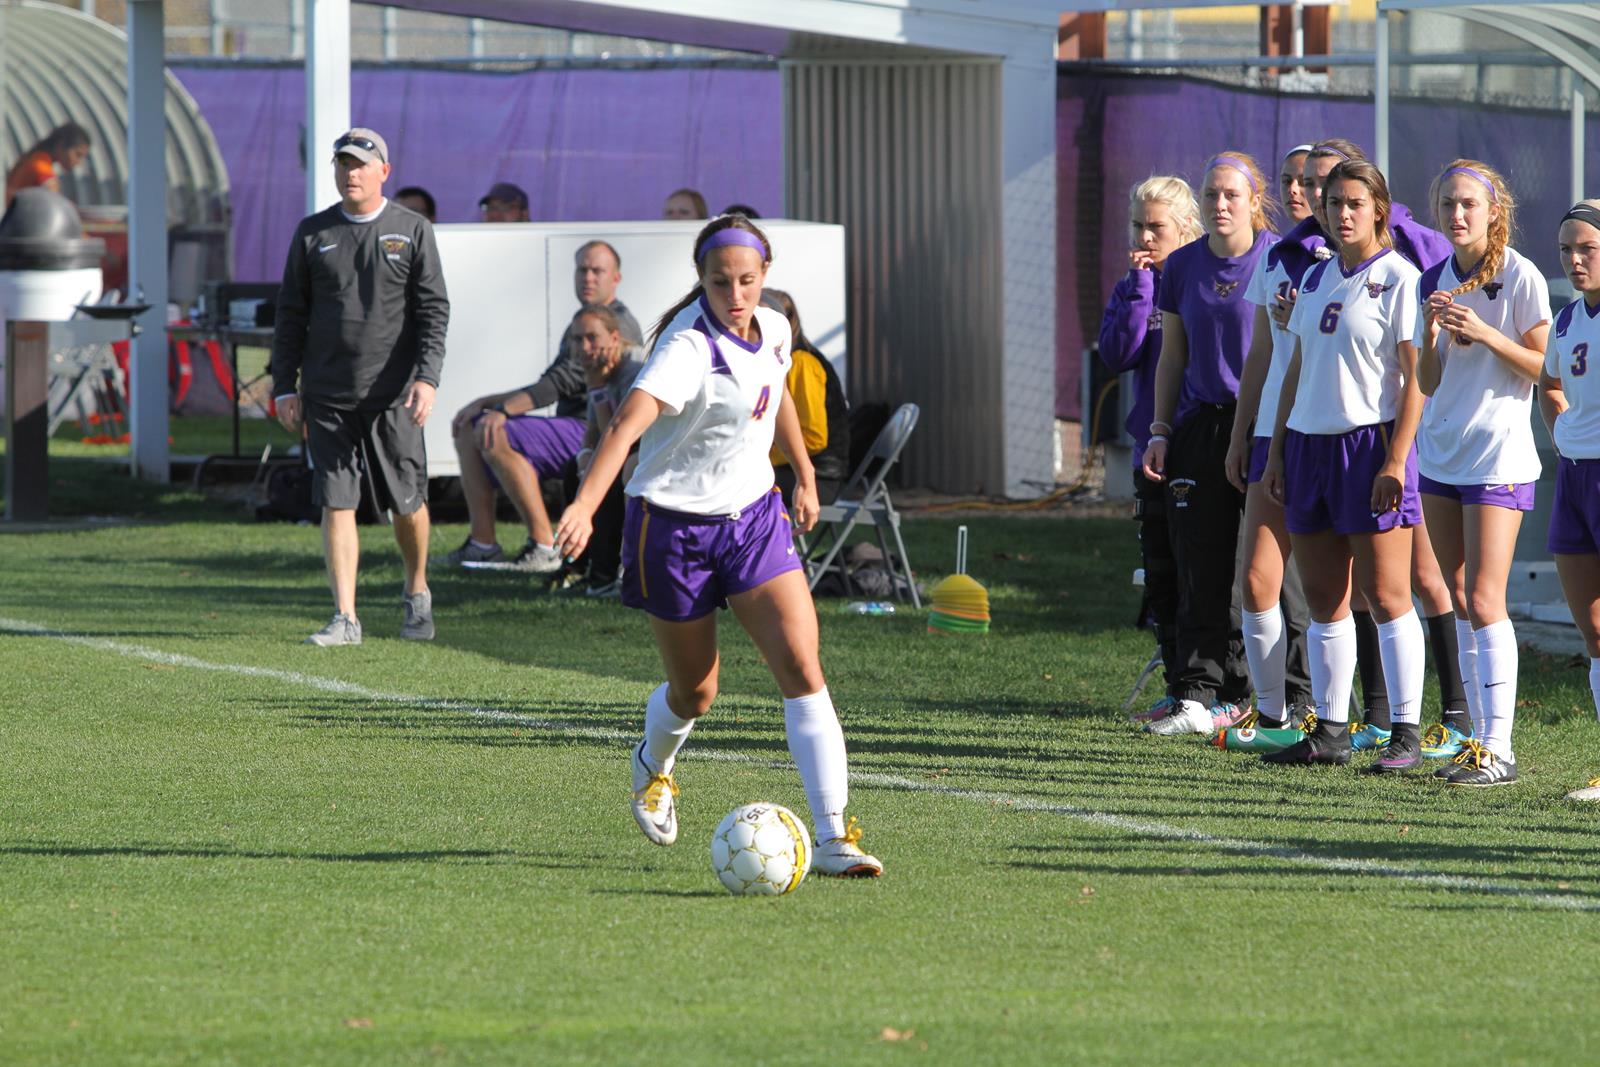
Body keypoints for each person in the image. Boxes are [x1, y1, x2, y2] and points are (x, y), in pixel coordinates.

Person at [553, 215, 882, 877]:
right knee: (696, 691)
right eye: (720, 281)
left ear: (765, 276)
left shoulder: (777, 327)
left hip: (754, 518)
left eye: (748, 281)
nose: (736, 294)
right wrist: (586, 505)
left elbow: (777, 389)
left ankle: (832, 835)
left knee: (800, 662)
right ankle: (654, 761)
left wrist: (806, 475)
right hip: (672, 527)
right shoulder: (686, 349)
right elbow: (623, 426)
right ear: (701, 279)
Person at [1269, 138, 1468, 753]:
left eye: (1355, 203)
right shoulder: (1317, 275)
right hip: (1308, 448)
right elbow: (1295, 369)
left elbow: (1415, 382)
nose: (1343, 214)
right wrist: (1276, 450)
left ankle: (1404, 730)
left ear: (1380, 209)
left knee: (1387, 594)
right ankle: (1330, 727)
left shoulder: (1401, 279)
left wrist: (1394, 459)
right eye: (1333, 203)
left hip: (1369, 448)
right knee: (1327, 598)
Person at [270, 127, 449, 646]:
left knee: (406, 503)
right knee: (336, 501)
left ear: (383, 172)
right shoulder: (311, 233)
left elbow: (433, 311)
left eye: (361, 164)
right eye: (343, 164)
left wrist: (426, 378)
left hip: (394, 395)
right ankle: (345, 617)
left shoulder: (412, 230)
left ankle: (417, 591)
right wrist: (286, 385)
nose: (351, 173)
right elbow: (290, 315)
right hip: (326, 393)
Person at [1414, 160, 1549, 787]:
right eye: (1447, 205)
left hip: (1498, 454)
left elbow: (1543, 368)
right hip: (1441, 454)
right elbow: (1428, 382)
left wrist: (1484, 335)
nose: (1457, 216)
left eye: (1469, 204)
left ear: (1495, 211)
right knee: (1460, 595)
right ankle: (1474, 740)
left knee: (1486, 598)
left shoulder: (1518, 274)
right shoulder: (1436, 277)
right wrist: (1432, 329)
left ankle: (1499, 749)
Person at [1140, 151, 1276, 736]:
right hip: (1200, 427)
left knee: (1268, 571)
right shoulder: (1182, 267)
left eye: (1232, 195)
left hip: (1269, 426)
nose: (1221, 205)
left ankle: (1273, 696)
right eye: (1212, 194)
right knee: (1199, 563)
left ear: (1254, 200)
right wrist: (1161, 430)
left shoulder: (1281, 259)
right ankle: (1196, 692)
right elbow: (1173, 355)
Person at [443, 240, 643, 571]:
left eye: (597, 271)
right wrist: (488, 402)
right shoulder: (583, 321)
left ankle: (543, 546)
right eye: (582, 270)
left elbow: (563, 383)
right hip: (580, 428)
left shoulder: (616, 325)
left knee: (495, 430)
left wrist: (502, 410)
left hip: (593, 431)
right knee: (471, 424)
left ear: (616, 278)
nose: (588, 278)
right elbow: (552, 379)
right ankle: (483, 544)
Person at [1098, 175, 1203, 723]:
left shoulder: (1200, 281)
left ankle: (1212, 689)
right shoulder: (1133, 286)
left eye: (1155, 226)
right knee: (1160, 572)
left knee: (1201, 571)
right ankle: (1176, 682)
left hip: (1201, 442)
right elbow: (1119, 353)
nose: (1144, 235)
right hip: (1152, 449)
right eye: (1138, 225)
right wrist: (1140, 288)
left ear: (1186, 229)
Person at [1224, 146, 1320, 731]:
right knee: (1258, 580)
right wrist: (1241, 436)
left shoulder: (1368, 261)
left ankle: (1335, 712)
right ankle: (1270, 712)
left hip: (1331, 434)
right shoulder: (1277, 258)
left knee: (1328, 590)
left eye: (1312, 181)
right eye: (1289, 179)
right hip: (1268, 433)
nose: (1298, 190)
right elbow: (1260, 355)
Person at [1537, 201, 1600, 802]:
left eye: (1587, 248)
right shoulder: (1565, 320)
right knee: (1595, 631)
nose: (1576, 260)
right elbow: (1550, 381)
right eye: (1566, 251)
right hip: (1576, 480)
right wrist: (1560, 427)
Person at [565, 304, 647, 595]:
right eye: (577, 340)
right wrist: (584, 456)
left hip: (648, 451)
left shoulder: (634, 368)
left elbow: (620, 430)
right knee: (576, 471)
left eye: (591, 338)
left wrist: (598, 389)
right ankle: (577, 566)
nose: (584, 347)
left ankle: (608, 575)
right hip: (625, 451)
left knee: (610, 476)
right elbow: (593, 433)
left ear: (614, 338)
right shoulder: (598, 369)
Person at [761, 288, 851, 505]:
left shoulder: (801, 362)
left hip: (820, 477)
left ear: (784, 321)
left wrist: (764, 456)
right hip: (795, 468)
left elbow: (814, 438)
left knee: (741, 486)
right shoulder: (778, 360)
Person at [5, 122, 91, 207]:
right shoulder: (40, 164)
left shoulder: (34, 157)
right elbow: (54, 199)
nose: (78, 162)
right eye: (78, 155)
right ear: (61, 144)